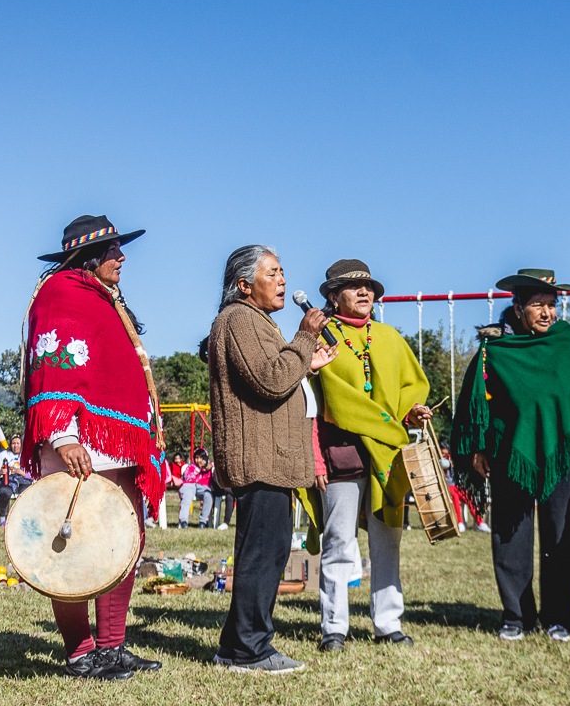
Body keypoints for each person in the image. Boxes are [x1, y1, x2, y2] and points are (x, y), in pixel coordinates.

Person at [23, 214, 167, 681]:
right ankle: (81, 651)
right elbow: (53, 365)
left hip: (118, 446)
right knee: (75, 547)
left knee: (122, 542)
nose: (121, 257)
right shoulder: (61, 293)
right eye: (112, 251)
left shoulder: (105, 300)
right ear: (88, 257)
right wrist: (62, 436)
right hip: (81, 443)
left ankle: (111, 646)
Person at [453, 268, 570, 643]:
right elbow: (475, 401)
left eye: (552, 306)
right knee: (511, 534)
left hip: (562, 455)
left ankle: (559, 616)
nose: (547, 313)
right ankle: (516, 616)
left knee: (565, 534)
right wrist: (478, 447)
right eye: (538, 306)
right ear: (518, 306)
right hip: (510, 455)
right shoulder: (494, 347)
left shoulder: (566, 340)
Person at [208, 244, 336, 673]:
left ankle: (235, 645)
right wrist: (304, 338)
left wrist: (306, 361)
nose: (283, 281)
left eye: (283, 272)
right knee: (263, 554)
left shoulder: (257, 322)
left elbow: (277, 373)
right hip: (259, 458)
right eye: (273, 273)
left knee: (268, 550)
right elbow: (270, 380)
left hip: (270, 458)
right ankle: (250, 649)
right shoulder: (240, 319)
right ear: (245, 285)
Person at [311, 260, 430, 652]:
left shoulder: (390, 337)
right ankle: (334, 627)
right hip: (340, 450)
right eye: (353, 287)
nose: (365, 293)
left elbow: (409, 387)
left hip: (386, 454)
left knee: (387, 537)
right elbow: (313, 396)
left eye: (369, 288)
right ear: (332, 296)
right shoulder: (320, 338)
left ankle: (387, 622)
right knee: (339, 540)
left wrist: (412, 410)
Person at [441, 443, 489, 533]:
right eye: (442, 453)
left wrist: (452, 465)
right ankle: (460, 523)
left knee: (469, 498)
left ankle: (480, 523)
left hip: (456, 486)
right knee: (454, 496)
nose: (444, 455)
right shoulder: (438, 462)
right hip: (446, 487)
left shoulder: (453, 462)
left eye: (446, 454)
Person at [0, 435, 33, 521]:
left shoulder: (27, 455)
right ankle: (2, 517)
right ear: (10, 445)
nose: (15, 446)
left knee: (25, 493)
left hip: (23, 481)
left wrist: (19, 472)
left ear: (22, 444)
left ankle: (22, 518)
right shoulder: (4, 455)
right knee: (4, 492)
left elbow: (33, 475)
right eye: (13, 443)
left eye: (18, 443)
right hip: (8, 480)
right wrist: (0, 473)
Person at [178, 447, 213, 528]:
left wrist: (210, 466)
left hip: (203, 487)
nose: (199, 460)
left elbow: (217, 466)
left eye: (201, 458)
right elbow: (187, 478)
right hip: (190, 485)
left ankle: (203, 521)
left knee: (208, 496)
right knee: (187, 497)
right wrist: (198, 469)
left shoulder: (209, 467)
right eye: (197, 458)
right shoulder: (190, 467)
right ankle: (183, 521)